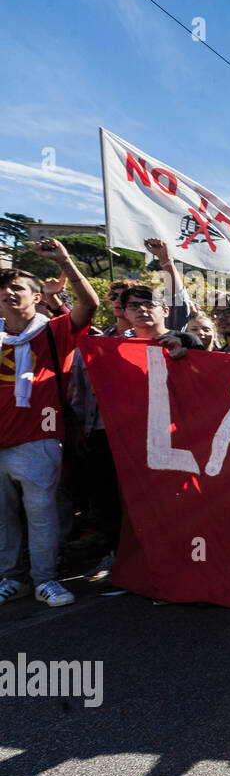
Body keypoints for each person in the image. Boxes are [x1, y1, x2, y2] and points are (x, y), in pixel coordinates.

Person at [0, 239, 98, 607]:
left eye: (17, 288)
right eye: (3, 289)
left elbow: (89, 306)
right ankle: (11, 578)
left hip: (37, 439)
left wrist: (66, 261)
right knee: (3, 518)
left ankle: (45, 579)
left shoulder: (53, 331)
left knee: (41, 515)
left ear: (37, 297)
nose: (8, 293)